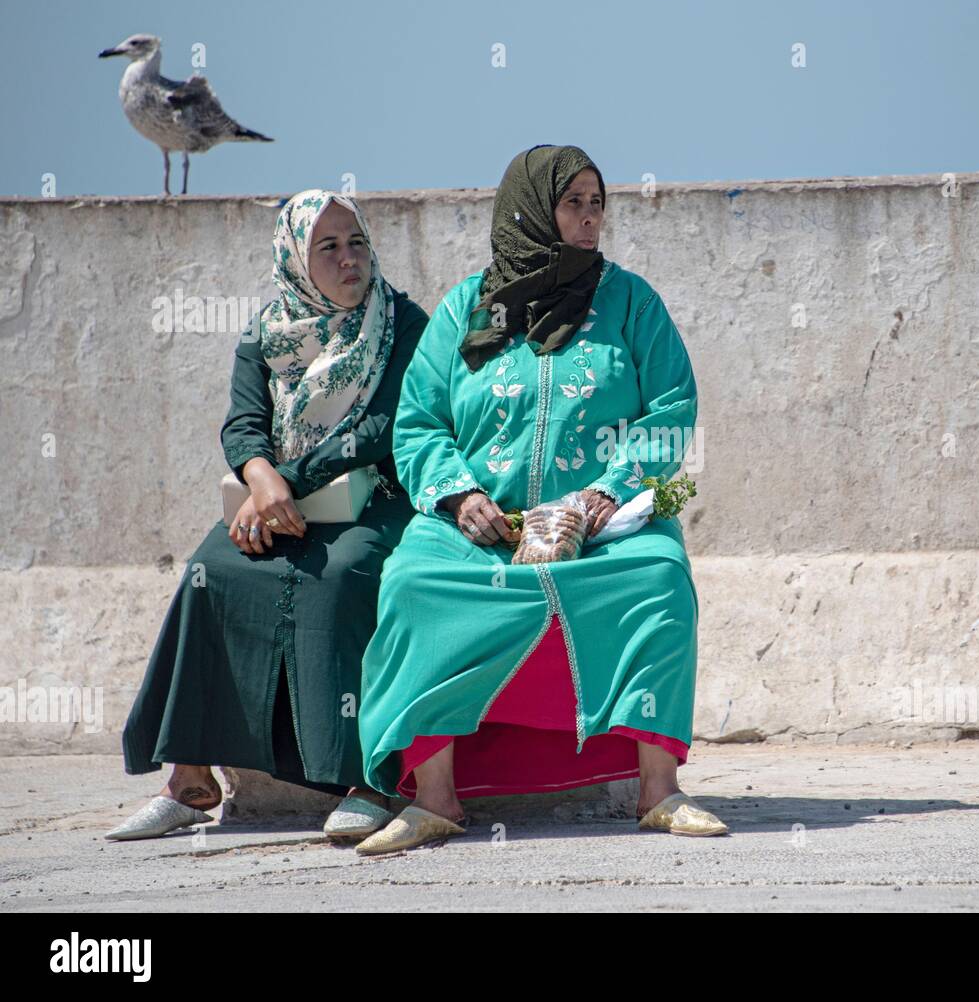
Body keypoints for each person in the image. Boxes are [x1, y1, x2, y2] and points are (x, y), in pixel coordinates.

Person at [354, 144, 727, 856]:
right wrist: (458, 497)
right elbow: (421, 419)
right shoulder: (467, 307)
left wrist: (608, 493)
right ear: (530, 210)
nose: (589, 219)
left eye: (597, 204)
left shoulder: (630, 301)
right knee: (411, 581)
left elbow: (671, 407)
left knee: (660, 578)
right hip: (480, 528)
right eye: (572, 203)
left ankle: (660, 790)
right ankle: (434, 799)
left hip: (603, 526)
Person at [108, 190, 430, 842]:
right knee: (211, 569)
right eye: (329, 247)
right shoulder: (268, 331)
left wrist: (286, 482)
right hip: (280, 500)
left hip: (378, 502)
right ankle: (189, 779)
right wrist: (259, 478)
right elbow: (243, 423)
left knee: (341, 576)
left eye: (357, 243)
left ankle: (364, 778)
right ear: (294, 259)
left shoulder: (401, 323)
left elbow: (381, 427)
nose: (349, 260)